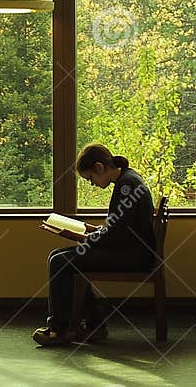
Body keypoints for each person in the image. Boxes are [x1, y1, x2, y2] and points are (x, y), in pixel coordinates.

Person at [32, 144, 157, 346]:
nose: (92, 183)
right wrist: (93, 230)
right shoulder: (128, 180)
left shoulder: (126, 186)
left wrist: (80, 237)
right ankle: (93, 324)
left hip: (132, 256)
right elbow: (120, 227)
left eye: (90, 178)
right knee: (58, 256)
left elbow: (118, 234)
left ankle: (60, 329)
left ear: (99, 168)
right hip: (129, 250)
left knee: (60, 262)